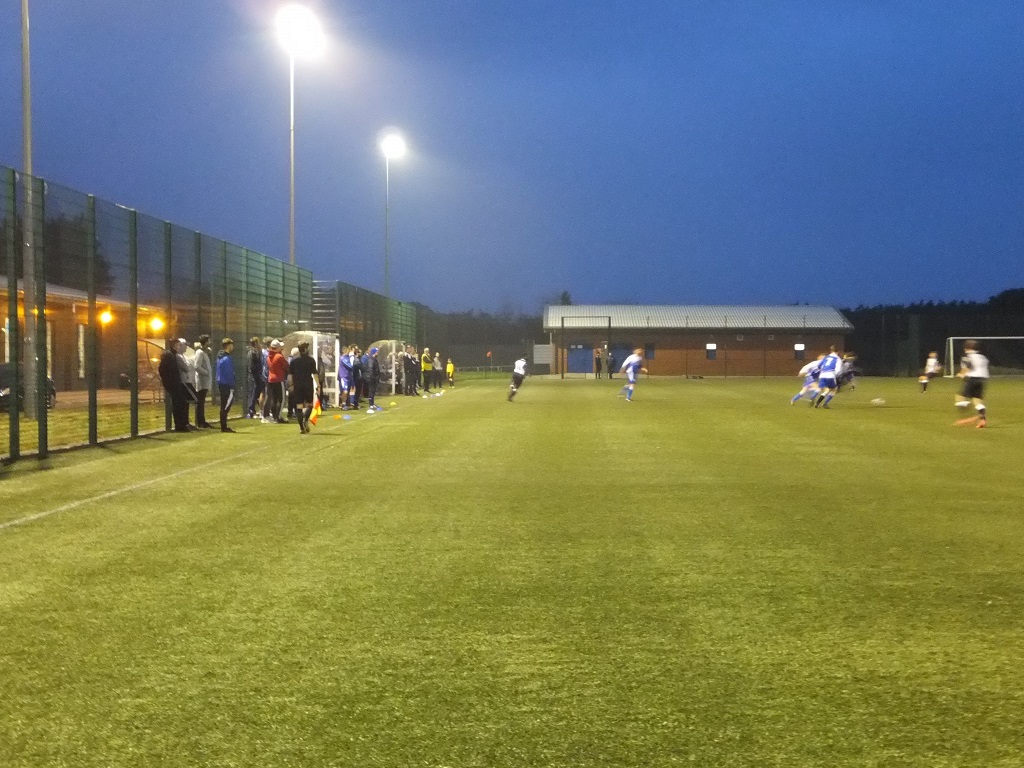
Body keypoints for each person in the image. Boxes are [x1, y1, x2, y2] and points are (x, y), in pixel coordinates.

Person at [158, 338, 192, 432]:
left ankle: (181, 425)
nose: (179, 347)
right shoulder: (169, 355)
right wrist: (168, 381)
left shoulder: (172, 355)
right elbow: (162, 369)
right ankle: (179, 425)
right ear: (174, 345)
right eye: (178, 345)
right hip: (174, 384)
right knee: (178, 404)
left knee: (179, 404)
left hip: (176, 383)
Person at [954, 340, 989, 428]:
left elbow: (968, 366)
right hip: (982, 380)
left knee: (959, 398)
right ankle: (982, 419)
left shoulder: (967, 356)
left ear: (966, 348)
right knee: (977, 401)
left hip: (972, 379)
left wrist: (961, 374)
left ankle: (969, 417)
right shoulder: (982, 357)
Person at [287, 341, 319, 433]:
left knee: (299, 407)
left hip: (297, 386)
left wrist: (290, 385)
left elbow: (290, 375)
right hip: (308, 385)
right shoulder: (311, 360)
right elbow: (315, 373)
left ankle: (301, 427)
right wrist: (318, 385)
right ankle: (305, 420)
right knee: (309, 404)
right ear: (305, 349)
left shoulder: (294, 361)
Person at [193, 335, 213, 428]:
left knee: (202, 402)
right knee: (200, 402)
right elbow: (197, 366)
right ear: (205, 342)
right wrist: (206, 372)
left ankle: (202, 421)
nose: (210, 343)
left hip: (205, 381)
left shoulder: (204, 352)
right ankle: (200, 422)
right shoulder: (199, 353)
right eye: (208, 341)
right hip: (201, 381)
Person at [216, 338, 236, 432]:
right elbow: (229, 373)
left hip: (222, 383)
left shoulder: (220, 357)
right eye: (231, 345)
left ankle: (223, 426)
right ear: (228, 346)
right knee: (226, 405)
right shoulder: (227, 358)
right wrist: (232, 385)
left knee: (224, 405)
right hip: (226, 384)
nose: (233, 347)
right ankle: (223, 426)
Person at [266, 339, 288, 423]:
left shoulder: (268, 357)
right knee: (281, 399)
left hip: (271, 379)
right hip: (279, 379)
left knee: (274, 399)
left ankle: (274, 416)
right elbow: (286, 366)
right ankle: (278, 417)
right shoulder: (279, 356)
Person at [246, 337, 263, 418]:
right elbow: (253, 366)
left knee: (254, 393)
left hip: (254, 375)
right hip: (254, 376)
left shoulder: (253, 352)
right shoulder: (252, 353)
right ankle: (251, 410)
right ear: (256, 343)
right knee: (253, 393)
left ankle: (252, 410)